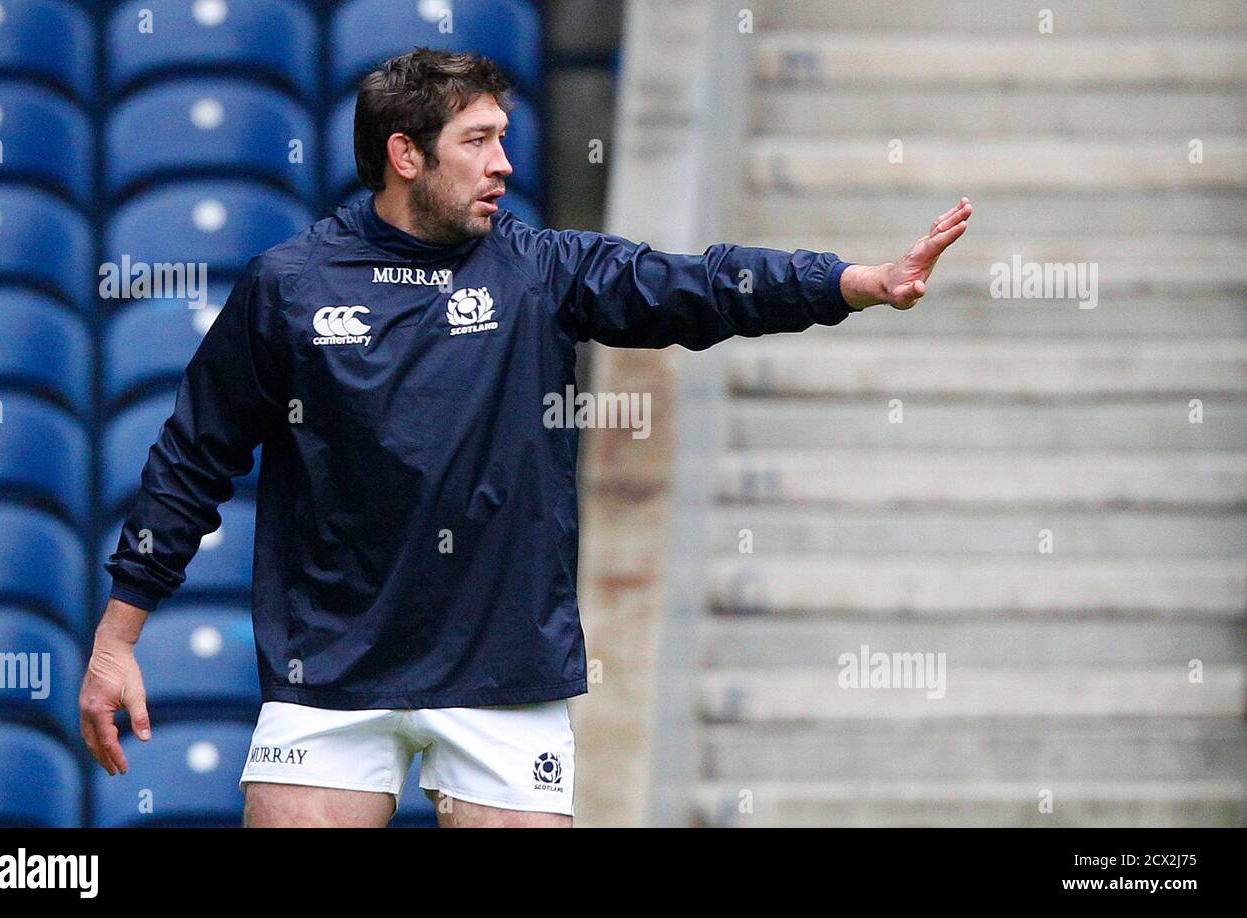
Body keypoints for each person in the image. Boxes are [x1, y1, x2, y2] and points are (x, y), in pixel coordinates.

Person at [79, 47, 972, 828]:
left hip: (504, 669)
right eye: (478, 142)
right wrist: (117, 641)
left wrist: (851, 282)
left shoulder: (540, 270)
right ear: (404, 154)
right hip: (332, 670)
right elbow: (191, 461)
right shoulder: (289, 286)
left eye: (504, 138)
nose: (504, 164)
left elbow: (698, 285)